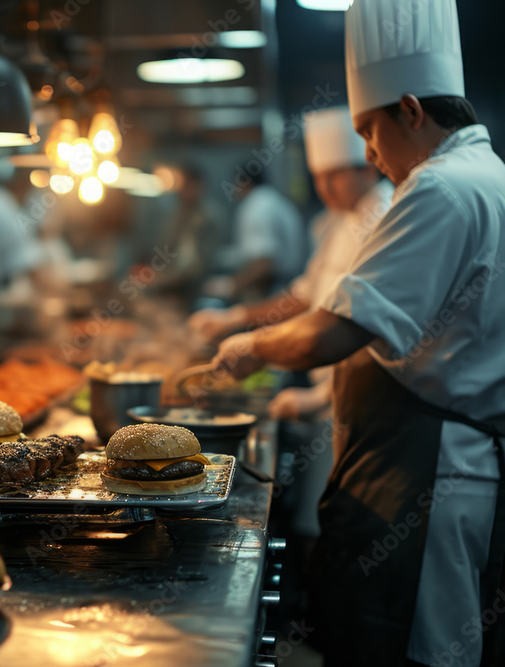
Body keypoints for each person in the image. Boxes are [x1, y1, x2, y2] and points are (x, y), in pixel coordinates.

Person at [213, 1, 505, 664]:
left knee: (408, 648)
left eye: (369, 132)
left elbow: (331, 333)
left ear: (411, 110)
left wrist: (248, 345)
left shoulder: (441, 187)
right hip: (437, 464)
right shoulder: (486, 176)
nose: (369, 155)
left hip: (429, 471)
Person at [190, 106, 394, 420]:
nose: (325, 188)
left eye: (335, 175)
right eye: (318, 177)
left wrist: (320, 396)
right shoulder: (338, 220)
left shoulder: (385, 218)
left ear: (367, 170)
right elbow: (305, 294)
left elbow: (374, 326)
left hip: (366, 397)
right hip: (334, 389)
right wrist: (235, 317)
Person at [135, 164, 227, 307]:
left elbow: (197, 265)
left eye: (186, 185)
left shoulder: (208, 217)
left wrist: (164, 279)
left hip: (195, 292)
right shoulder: (175, 215)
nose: (181, 191)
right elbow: (163, 250)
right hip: (167, 289)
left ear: (198, 186)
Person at [205, 171, 305, 301]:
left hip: (274, 290)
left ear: (243, 184)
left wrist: (230, 286)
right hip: (286, 284)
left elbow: (264, 264)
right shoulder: (272, 199)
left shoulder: (257, 207)